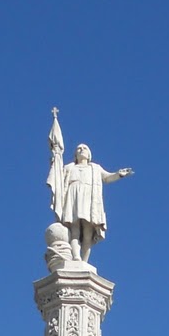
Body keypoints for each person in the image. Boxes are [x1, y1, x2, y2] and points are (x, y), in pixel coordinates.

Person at [45, 111, 134, 264]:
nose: (81, 150)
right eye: (78, 149)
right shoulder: (69, 168)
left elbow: (107, 177)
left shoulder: (95, 168)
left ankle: (84, 261)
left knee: (87, 232)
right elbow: (58, 179)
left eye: (84, 148)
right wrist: (56, 155)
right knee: (74, 230)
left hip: (89, 199)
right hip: (72, 197)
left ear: (89, 154)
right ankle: (76, 257)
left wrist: (119, 174)